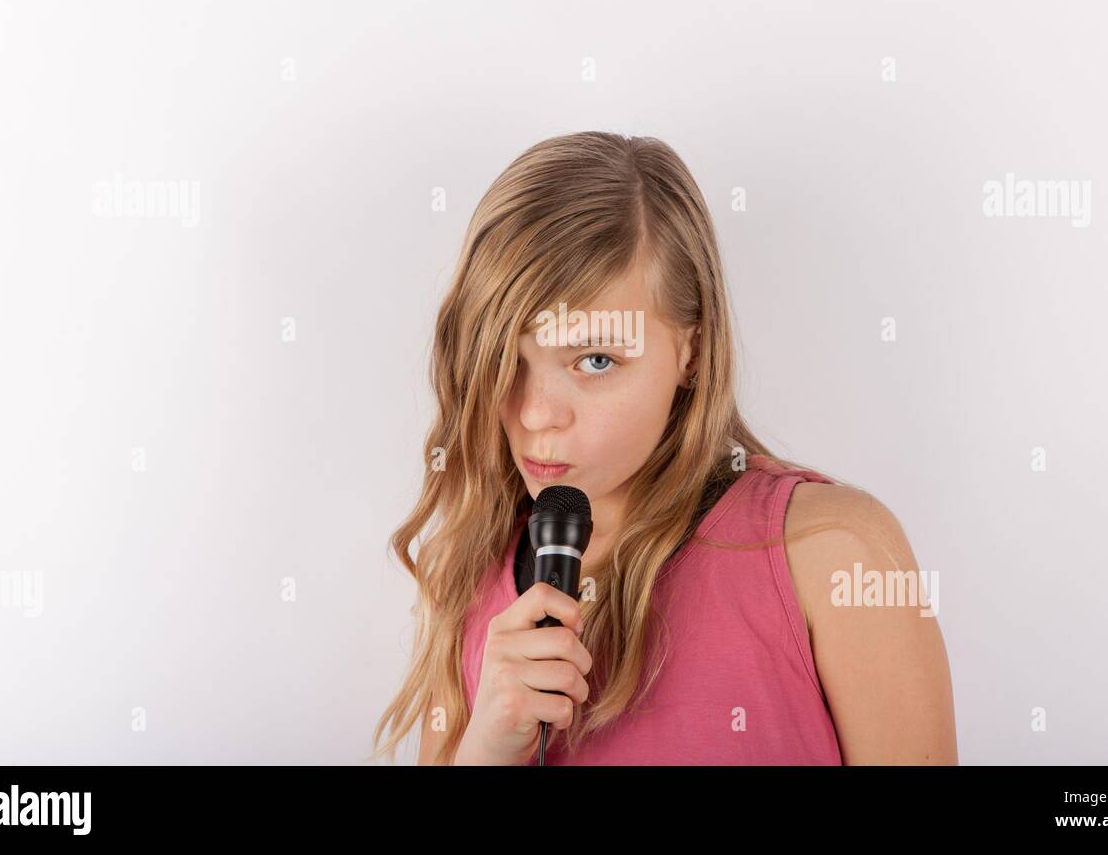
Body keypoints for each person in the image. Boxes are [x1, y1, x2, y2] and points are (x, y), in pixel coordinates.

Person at [373, 131, 957, 765]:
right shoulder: (465, 571)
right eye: (508, 359)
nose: (536, 413)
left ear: (693, 352)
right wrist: (485, 751)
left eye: (595, 359)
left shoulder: (833, 554)